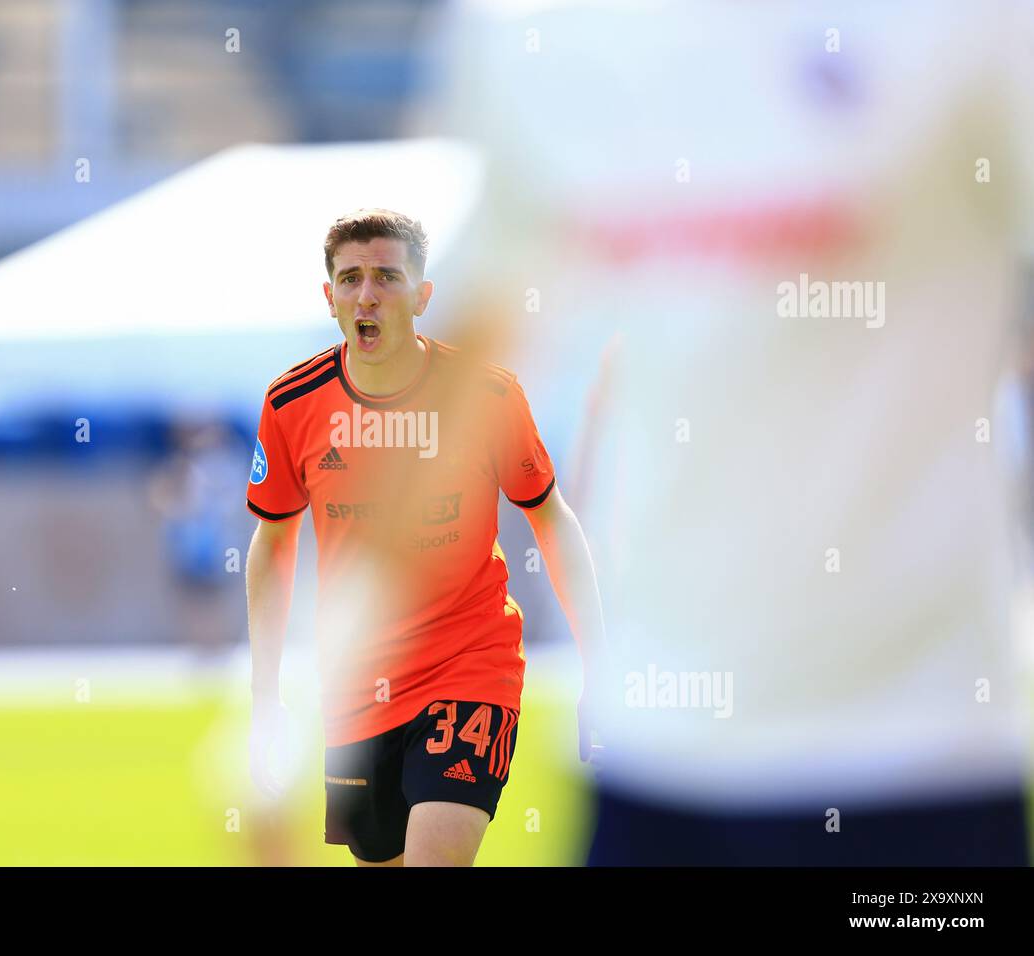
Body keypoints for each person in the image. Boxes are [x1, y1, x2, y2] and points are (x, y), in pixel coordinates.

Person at [430, 0, 1034, 864]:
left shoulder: (971, 24)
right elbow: (463, 364)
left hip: (919, 764)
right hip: (649, 763)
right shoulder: (529, 33)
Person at [244, 209, 605, 866]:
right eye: (350, 278)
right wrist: (265, 705)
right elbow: (273, 547)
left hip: (472, 671)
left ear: (423, 295)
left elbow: (550, 518)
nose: (368, 294)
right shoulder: (292, 404)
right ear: (329, 298)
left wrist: (600, 667)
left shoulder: (486, 395)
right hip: (356, 686)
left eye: (387, 275)